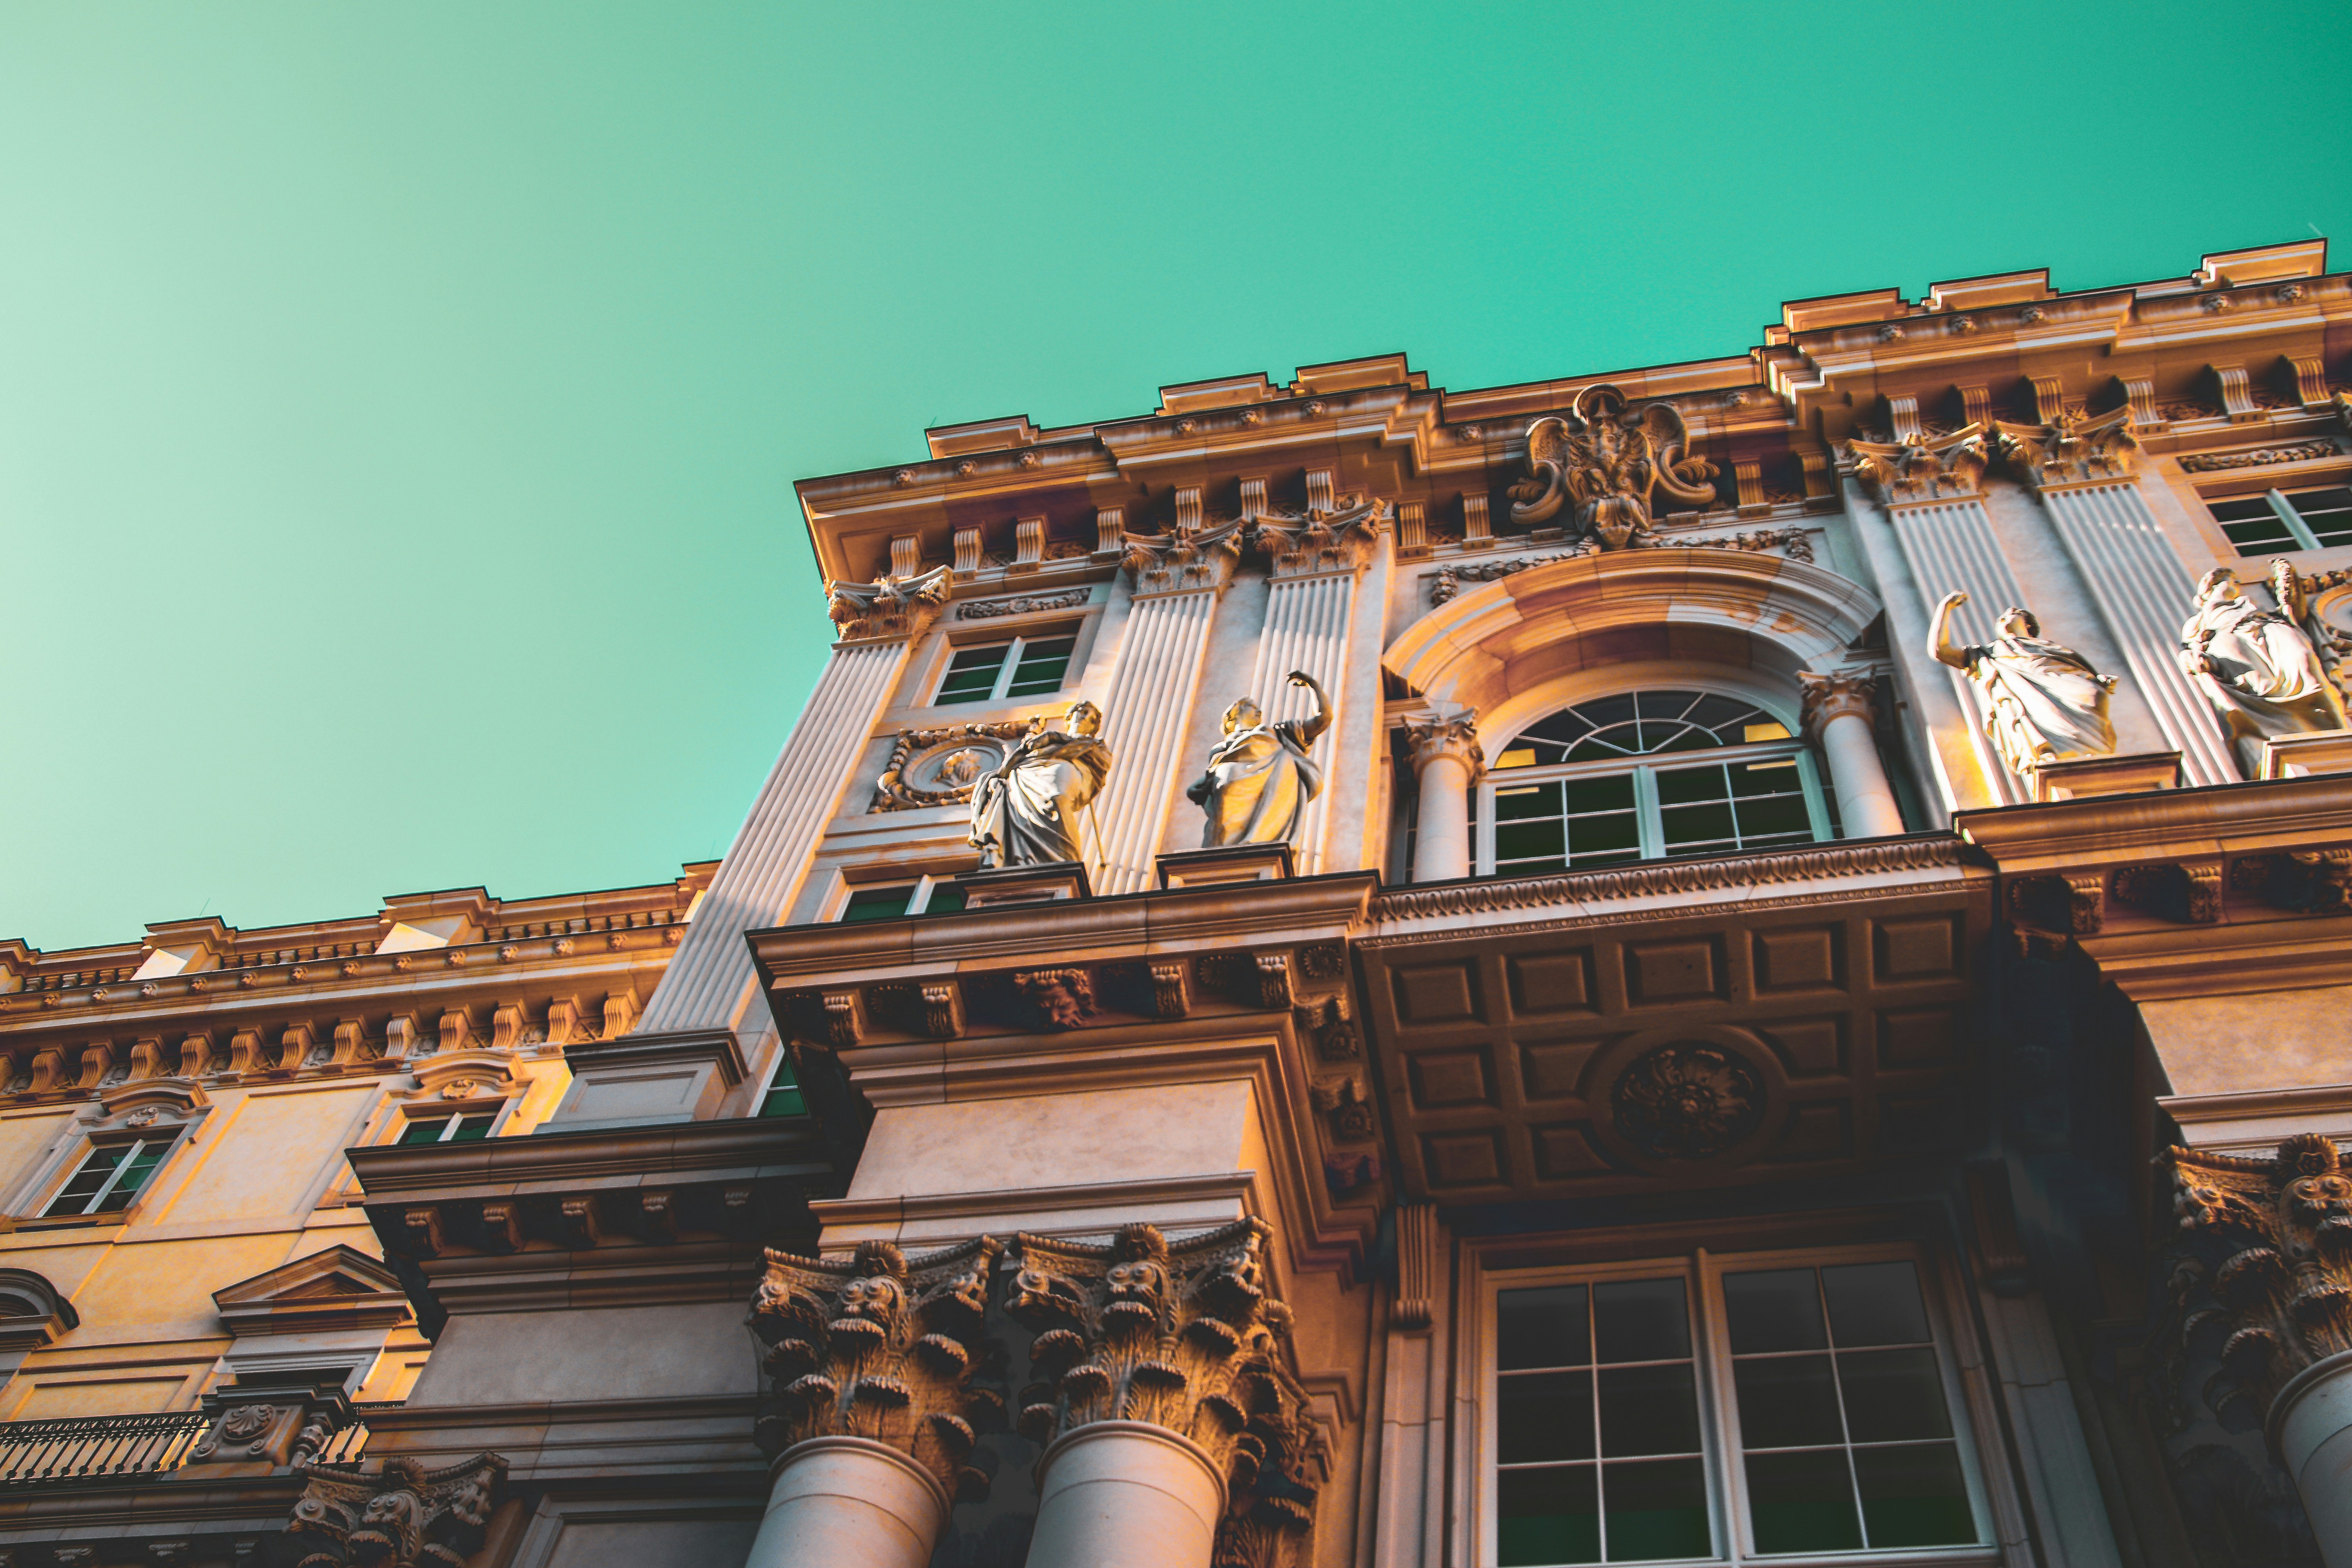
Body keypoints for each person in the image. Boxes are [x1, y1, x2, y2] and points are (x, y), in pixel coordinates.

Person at [2178, 566, 2349, 775]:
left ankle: (2338, 726)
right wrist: (2191, 658)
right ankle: (2282, 734)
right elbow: (2193, 646)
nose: (2237, 584)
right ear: (2211, 586)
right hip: (2233, 644)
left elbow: (2293, 616)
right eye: (2230, 580)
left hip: (2269, 629)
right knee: (2261, 687)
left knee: (2304, 660)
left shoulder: (2249, 603)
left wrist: (2289, 601)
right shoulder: (2198, 620)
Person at [1928, 592, 2117, 780]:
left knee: (2094, 696)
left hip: (2061, 686)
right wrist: (1945, 607)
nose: (2003, 618)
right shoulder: (1986, 654)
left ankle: (2096, 756)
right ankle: (2057, 755)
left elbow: (2070, 667)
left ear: (2028, 625)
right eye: (2001, 618)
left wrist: (2096, 680)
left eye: (2012, 613)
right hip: (2029, 698)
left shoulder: (2048, 646)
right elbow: (1940, 651)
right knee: (2051, 719)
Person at [1187, 671, 1332, 846]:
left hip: (1273, 785)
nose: (1259, 711)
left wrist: (1313, 684)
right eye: (1251, 706)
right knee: (1224, 806)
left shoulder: (1280, 735)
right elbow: (1208, 778)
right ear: (1232, 716)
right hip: (1228, 789)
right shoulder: (1221, 749)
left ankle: (1253, 844)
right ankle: (1220, 853)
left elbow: (1323, 720)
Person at [967, 702, 1111, 869]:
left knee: (1057, 799)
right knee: (1023, 814)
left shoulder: (1095, 745)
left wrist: (1054, 737)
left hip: (1068, 769)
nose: (1085, 718)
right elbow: (1019, 757)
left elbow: (1101, 761)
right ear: (1070, 717)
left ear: (1094, 727)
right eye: (1083, 712)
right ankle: (1026, 859)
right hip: (1028, 770)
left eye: (1092, 719)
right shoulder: (1041, 740)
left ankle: (1062, 858)